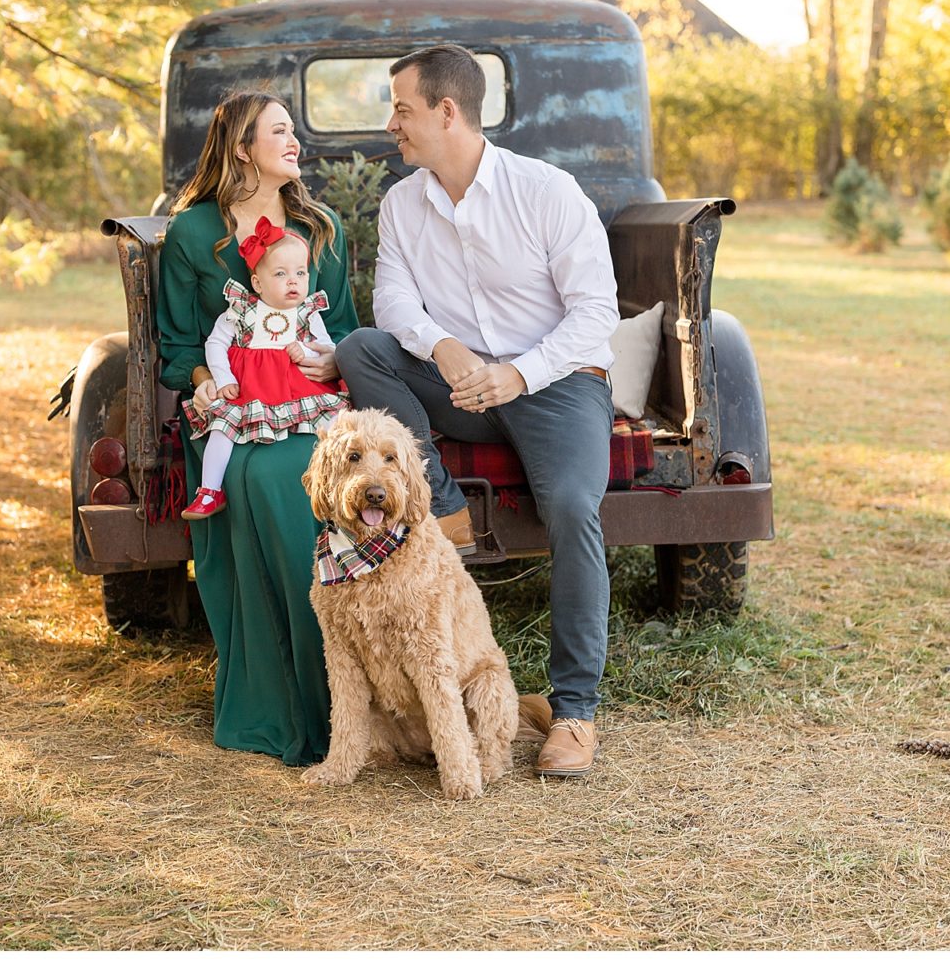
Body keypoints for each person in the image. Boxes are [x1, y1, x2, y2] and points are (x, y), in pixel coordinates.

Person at [334, 44, 620, 778]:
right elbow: (393, 302)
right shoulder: (404, 202)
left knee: (573, 508)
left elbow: (596, 315)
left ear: (447, 112)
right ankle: (445, 511)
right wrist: (444, 346)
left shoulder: (547, 191)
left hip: (553, 383)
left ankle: (575, 713)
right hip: (455, 386)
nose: (391, 124)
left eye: (401, 109)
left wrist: (518, 374)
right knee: (365, 347)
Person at [156, 90, 360, 767]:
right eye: (278, 130)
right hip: (230, 412)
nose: (294, 139)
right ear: (242, 148)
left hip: (312, 401)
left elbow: (348, 334)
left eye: (294, 128)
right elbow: (180, 347)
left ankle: (346, 702)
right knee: (259, 479)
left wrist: (328, 368)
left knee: (302, 477)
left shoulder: (320, 228)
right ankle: (282, 705)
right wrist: (207, 383)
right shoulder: (192, 235)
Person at [180, 219, 348, 520]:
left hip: (298, 386)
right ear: (258, 283)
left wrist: (307, 351)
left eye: (300, 273)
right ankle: (209, 491)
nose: (293, 281)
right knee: (222, 427)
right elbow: (215, 344)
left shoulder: (308, 313)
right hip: (251, 389)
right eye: (281, 274)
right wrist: (223, 377)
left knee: (338, 422)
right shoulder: (241, 310)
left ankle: (342, 480)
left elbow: (328, 349)